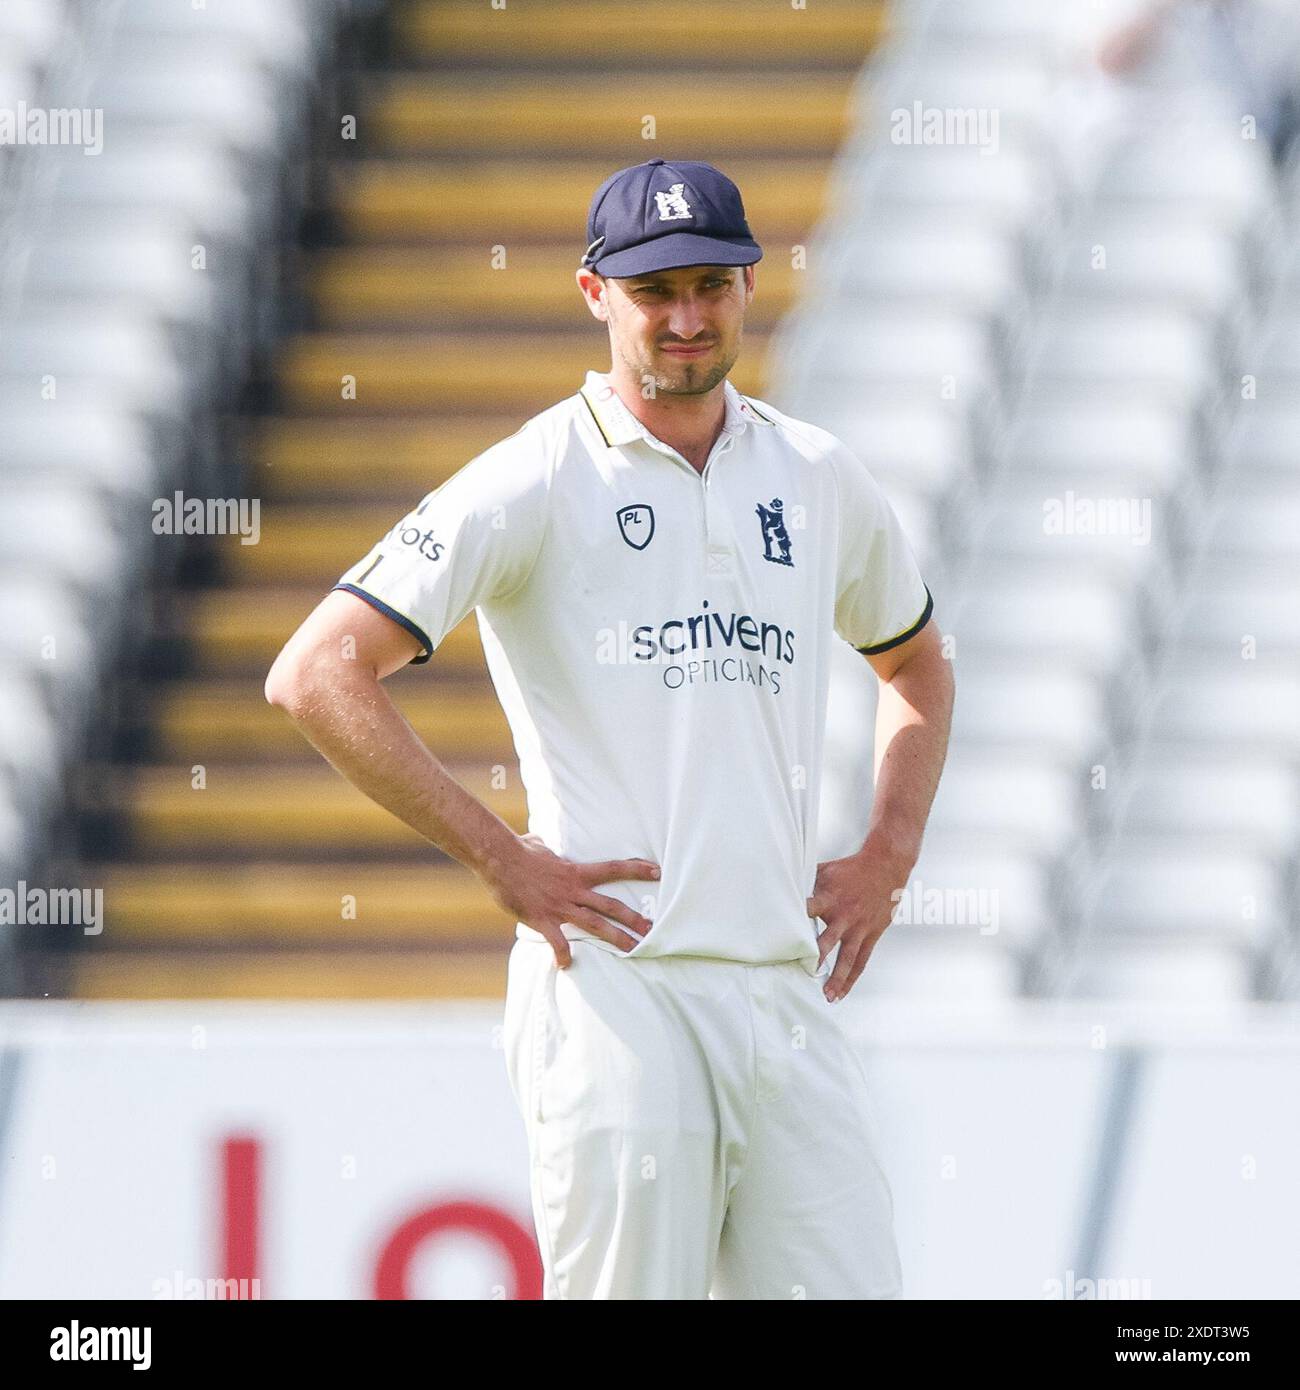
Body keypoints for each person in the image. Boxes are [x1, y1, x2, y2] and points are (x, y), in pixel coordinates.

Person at [265, 158, 955, 1299]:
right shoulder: (534, 475)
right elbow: (316, 671)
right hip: (618, 997)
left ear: (748, 285)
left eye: (710, 287)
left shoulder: (816, 474)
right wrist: (502, 859)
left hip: (784, 994)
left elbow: (916, 659)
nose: (686, 320)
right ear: (596, 295)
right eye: (655, 293)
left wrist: (890, 852)